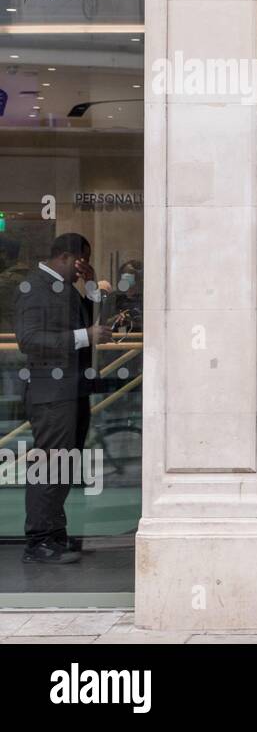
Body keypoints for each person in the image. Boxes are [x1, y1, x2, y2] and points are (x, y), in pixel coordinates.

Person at [13, 233, 109, 565]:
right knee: (50, 467)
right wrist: (85, 336)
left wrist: (92, 286)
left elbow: (85, 318)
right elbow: (28, 340)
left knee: (63, 466)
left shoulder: (64, 288)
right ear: (70, 258)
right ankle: (38, 541)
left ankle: (54, 536)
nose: (85, 267)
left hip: (69, 391)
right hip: (51, 394)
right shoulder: (35, 287)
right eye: (84, 260)